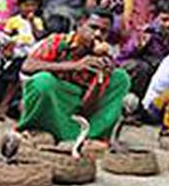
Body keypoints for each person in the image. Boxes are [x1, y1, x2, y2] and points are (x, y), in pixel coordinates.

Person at [17, 9, 131, 142]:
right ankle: (37, 129)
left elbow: (87, 108)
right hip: (53, 99)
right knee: (42, 81)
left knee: (120, 78)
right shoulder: (59, 41)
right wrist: (74, 66)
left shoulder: (102, 58)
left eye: (104, 31)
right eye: (93, 27)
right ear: (80, 25)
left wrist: (100, 79)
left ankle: (89, 134)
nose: (97, 34)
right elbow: (28, 66)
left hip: (76, 107)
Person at [116, 0, 169, 96]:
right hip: (144, 73)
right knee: (141, 67)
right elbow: (121, 59)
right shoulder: (144, 33)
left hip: (166, 74)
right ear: (156, 18)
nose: (168, 24)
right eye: (164, 19)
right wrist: (138, 48)